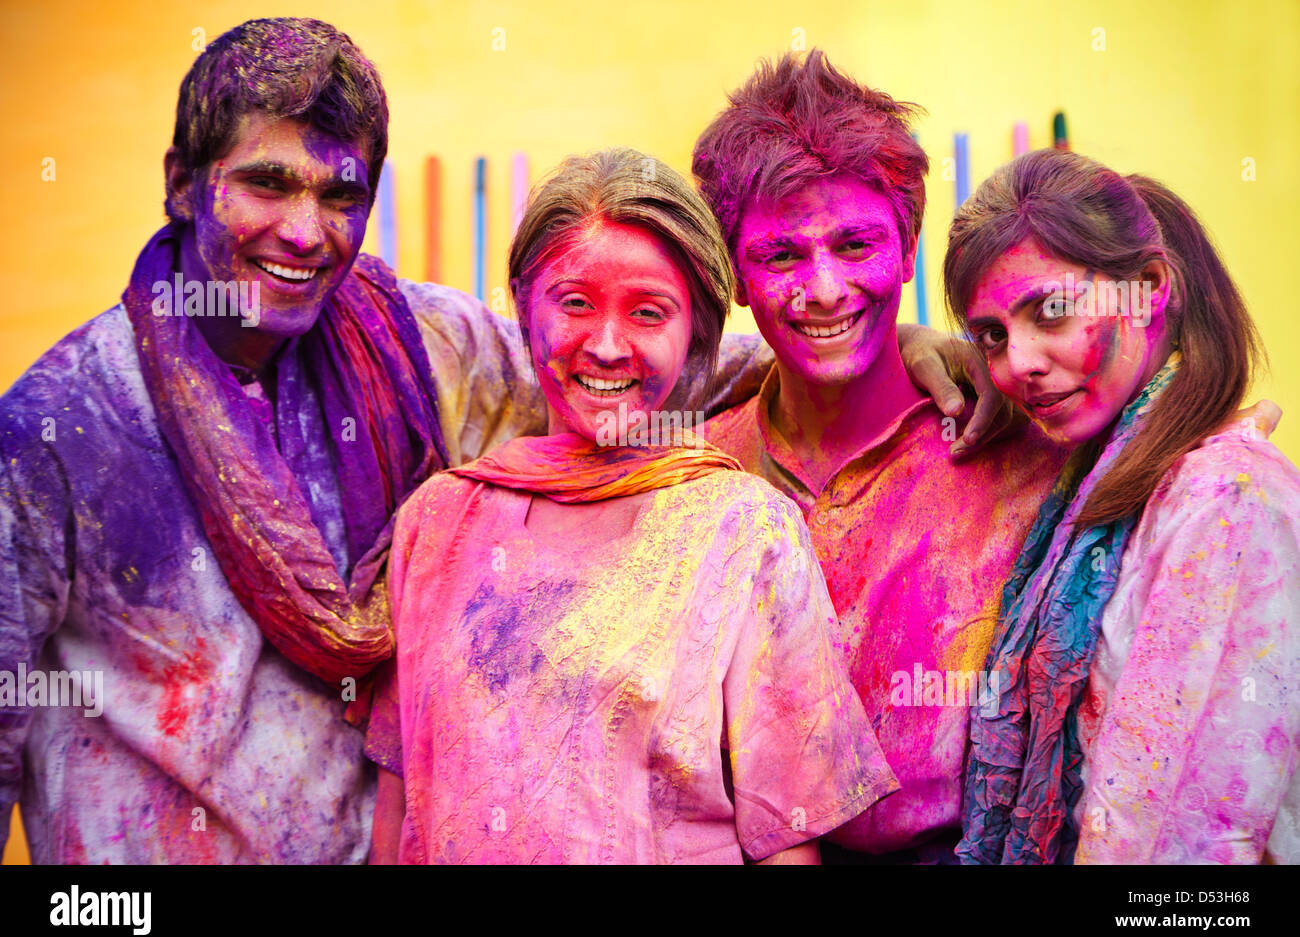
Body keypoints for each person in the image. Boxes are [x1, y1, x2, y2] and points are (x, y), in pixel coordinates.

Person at [0, 18, 976, 864]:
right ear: (180, 183)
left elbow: (632, 366)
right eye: (266, 183)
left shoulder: (422, 347)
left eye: (339, 194)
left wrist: (903, 341)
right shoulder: (62, 432)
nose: (303, 230)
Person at [366, 148, 896, 865]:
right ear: (525, 311)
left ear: (698, 336)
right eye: (575, 302)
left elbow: (787, 840)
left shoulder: (743, 529)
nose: (607, 344)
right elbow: (402, 809)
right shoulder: (438, 522)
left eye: (648, 312)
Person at [690, 50, 1068, 862]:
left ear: (907, 249)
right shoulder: (694, 479)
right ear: (735, 280)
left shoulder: (1023, 450)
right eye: (782, 255)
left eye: (855, 244)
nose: (824, 289)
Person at [947, 148, 1300, 864]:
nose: (1018, 364)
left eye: (1051, 311)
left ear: (1147, 288)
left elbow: (1189, 843)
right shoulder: (1091, 488)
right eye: (991, 335)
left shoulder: (1226, 500)